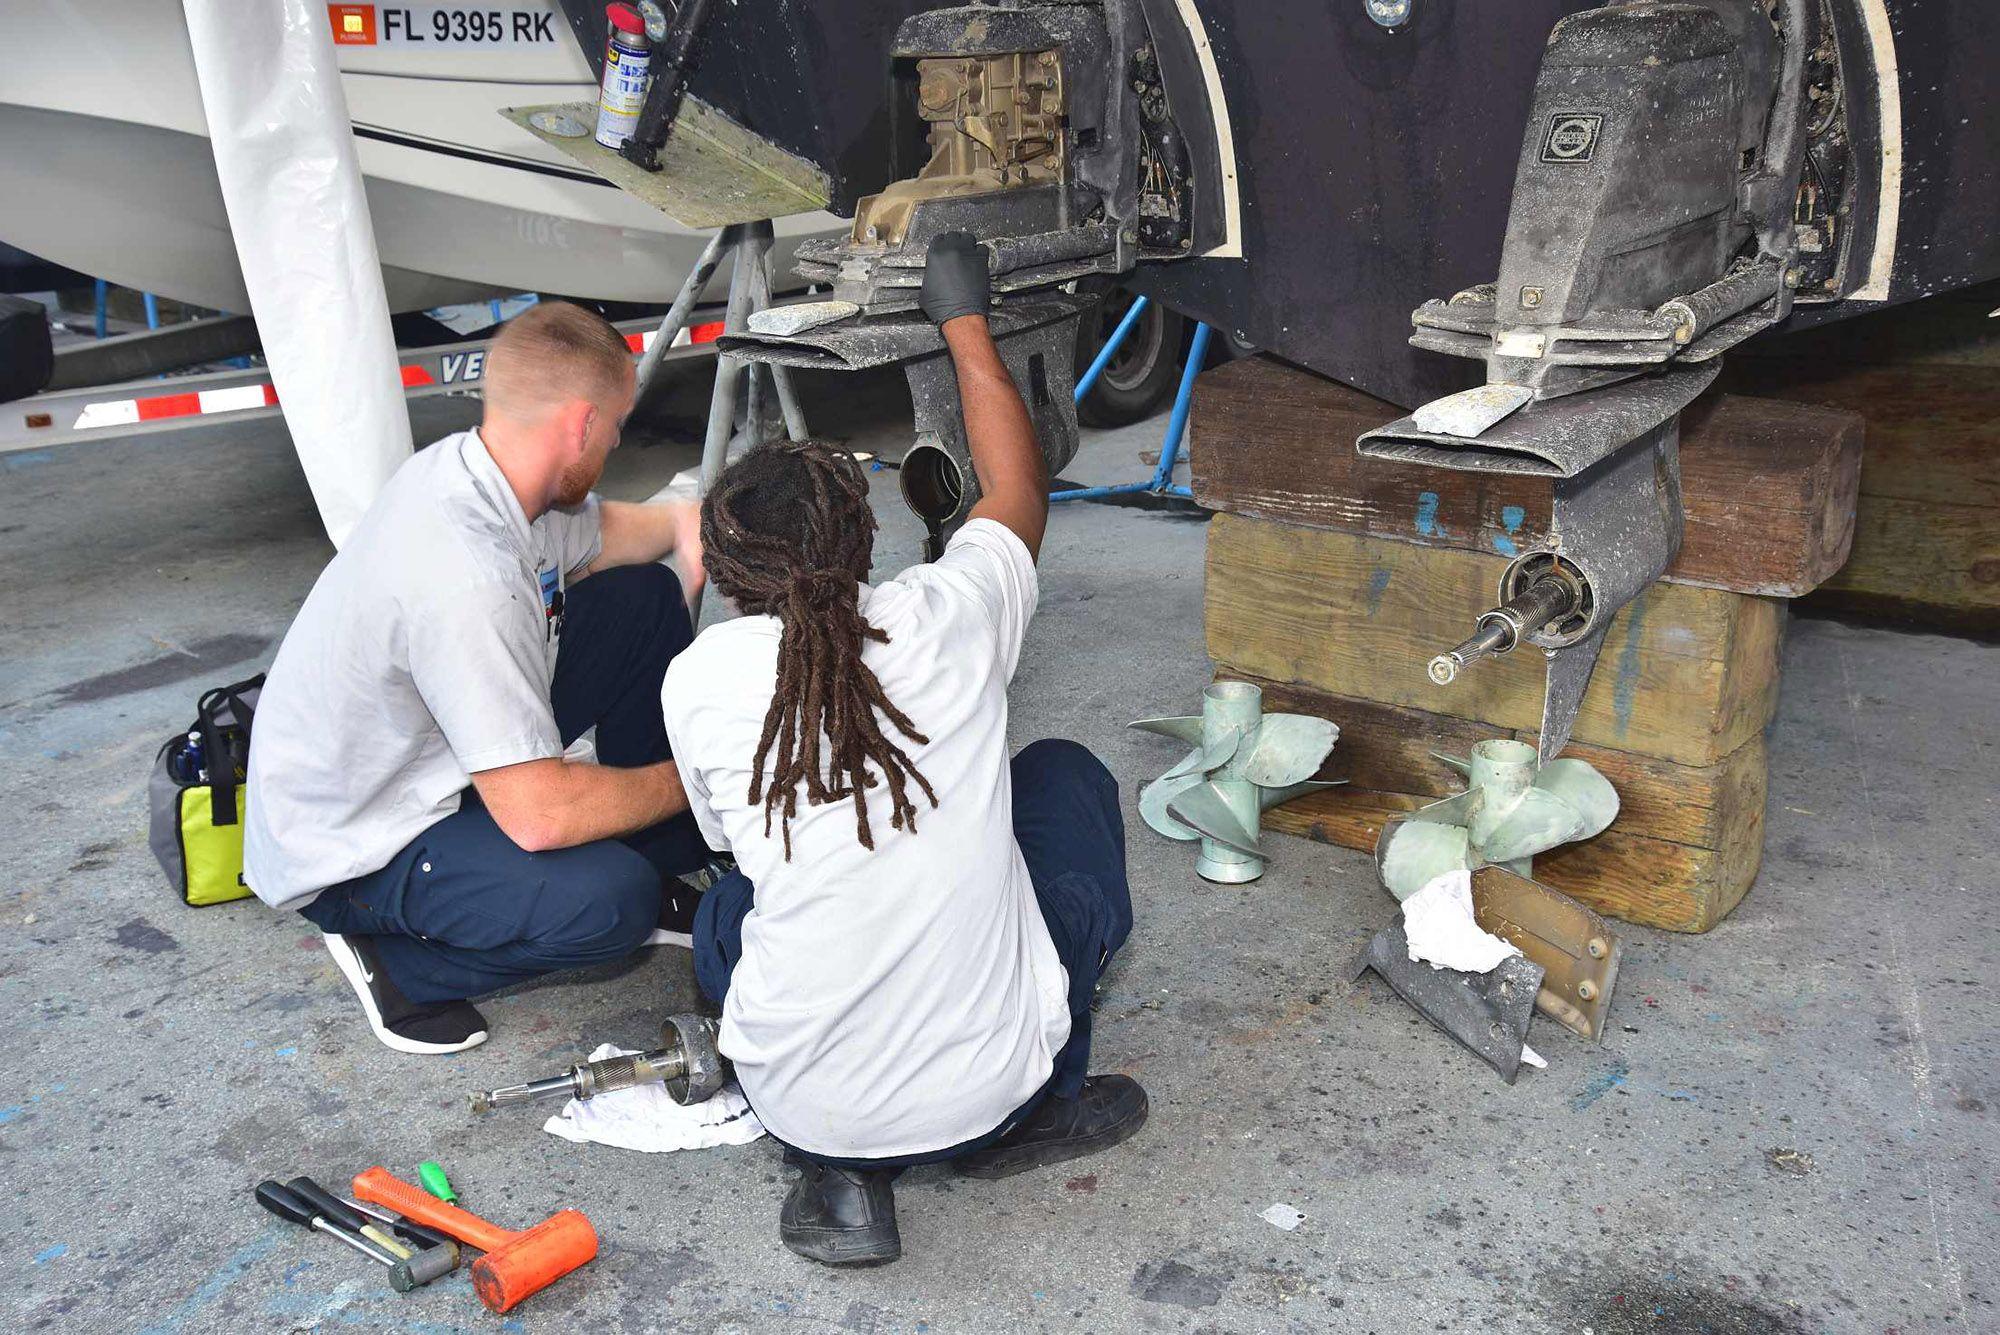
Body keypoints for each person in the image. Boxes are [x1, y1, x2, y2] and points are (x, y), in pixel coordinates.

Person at [662, 233, 1144, 1266]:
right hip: (987, 1097)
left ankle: (844, 1179)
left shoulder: (697, 680)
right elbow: (1015, 492)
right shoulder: (944, 618)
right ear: (863, 543)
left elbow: (740, 854)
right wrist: (961, 318)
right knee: (1058, 779)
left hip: (800, 1107)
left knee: (730, 905)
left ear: (725, 566)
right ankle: (1040, 1106)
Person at [243, 301, 714, 1056]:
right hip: (357, 839)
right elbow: (540, 817)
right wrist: (700, 777)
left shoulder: (488, 474)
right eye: (620, 422)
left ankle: (658, 859)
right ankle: (399, 962)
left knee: (642, 597)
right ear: (583, 424)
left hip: (422, 755)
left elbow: (620, 531)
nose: (621, 439)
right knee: (606, 902)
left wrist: (694, 522)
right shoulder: (466, 573)